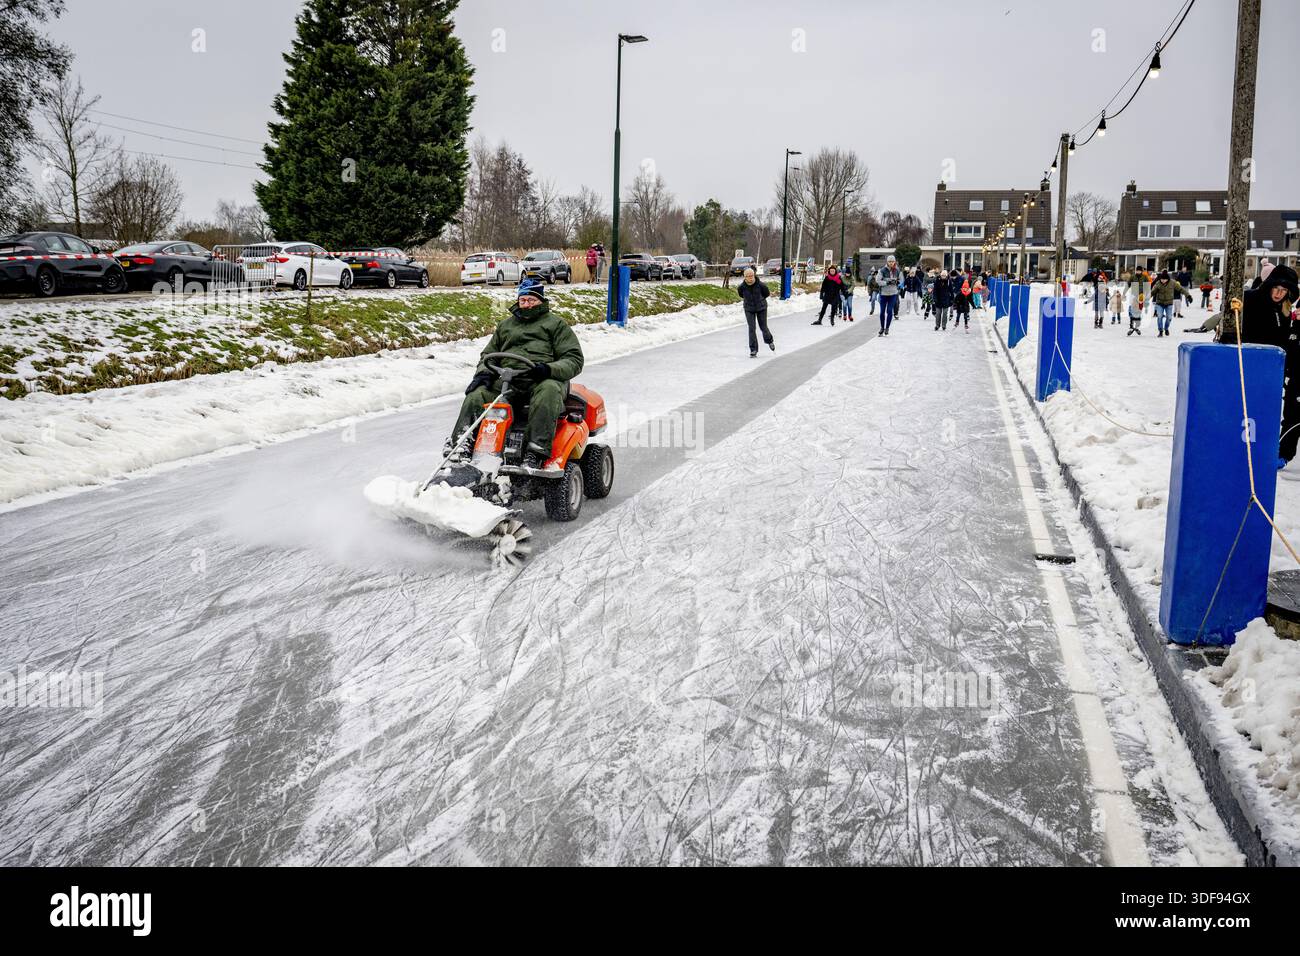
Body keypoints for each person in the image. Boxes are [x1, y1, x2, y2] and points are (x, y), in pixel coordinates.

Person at [447, 278, 584, 469]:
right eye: (523, 300)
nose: (526, 304)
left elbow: (574, 359)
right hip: (508, 380)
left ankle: (536, 451)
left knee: (548, 392)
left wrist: (548, 369)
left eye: (531, 300)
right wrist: (484, 373)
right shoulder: (505, 326)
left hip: (541, 379)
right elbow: (488, 355)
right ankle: (461, 446)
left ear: (541, 301)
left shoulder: (556, 325)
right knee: (476, 394)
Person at [737, 267, 775, 357]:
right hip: (749, 309)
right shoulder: (741, 287)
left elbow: (767, 293)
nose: (750, 278)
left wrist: (760, 300)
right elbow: (741, 295)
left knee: (763, 327)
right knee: (751, 328)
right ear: (744, 277)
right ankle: (753, 349)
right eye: (748, 276)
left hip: (761, 308)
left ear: (754, 275)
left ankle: (769, 341)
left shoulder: (761, 285)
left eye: (751, 276)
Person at [1149, 269, 1187, 338]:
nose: (1163, 281)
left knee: (1169, 318)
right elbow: (1152, 292)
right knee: (1159, 316)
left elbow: (1181, 289)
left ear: (1167, 279)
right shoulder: (1158, 283)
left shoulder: (1172, 283)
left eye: (1164, 280)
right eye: (1162, 279)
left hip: (1169, 303)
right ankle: (1160, 331)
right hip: (1159, 303)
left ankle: (1166, 328)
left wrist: (1188, 295)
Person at [876, 255, 902, 335]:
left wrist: (898, 282)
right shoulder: (882, 270)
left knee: (889, 311)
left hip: (893, 294)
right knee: (882, 312)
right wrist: (887, 282)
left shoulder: (897, 270)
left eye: (892, 261)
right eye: (889, 261)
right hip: (883, 294)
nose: (891, 263)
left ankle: (887, 328)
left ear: (894, 262)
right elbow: (878, 280)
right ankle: (882, 328)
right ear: (887, 262)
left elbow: (901, 280)